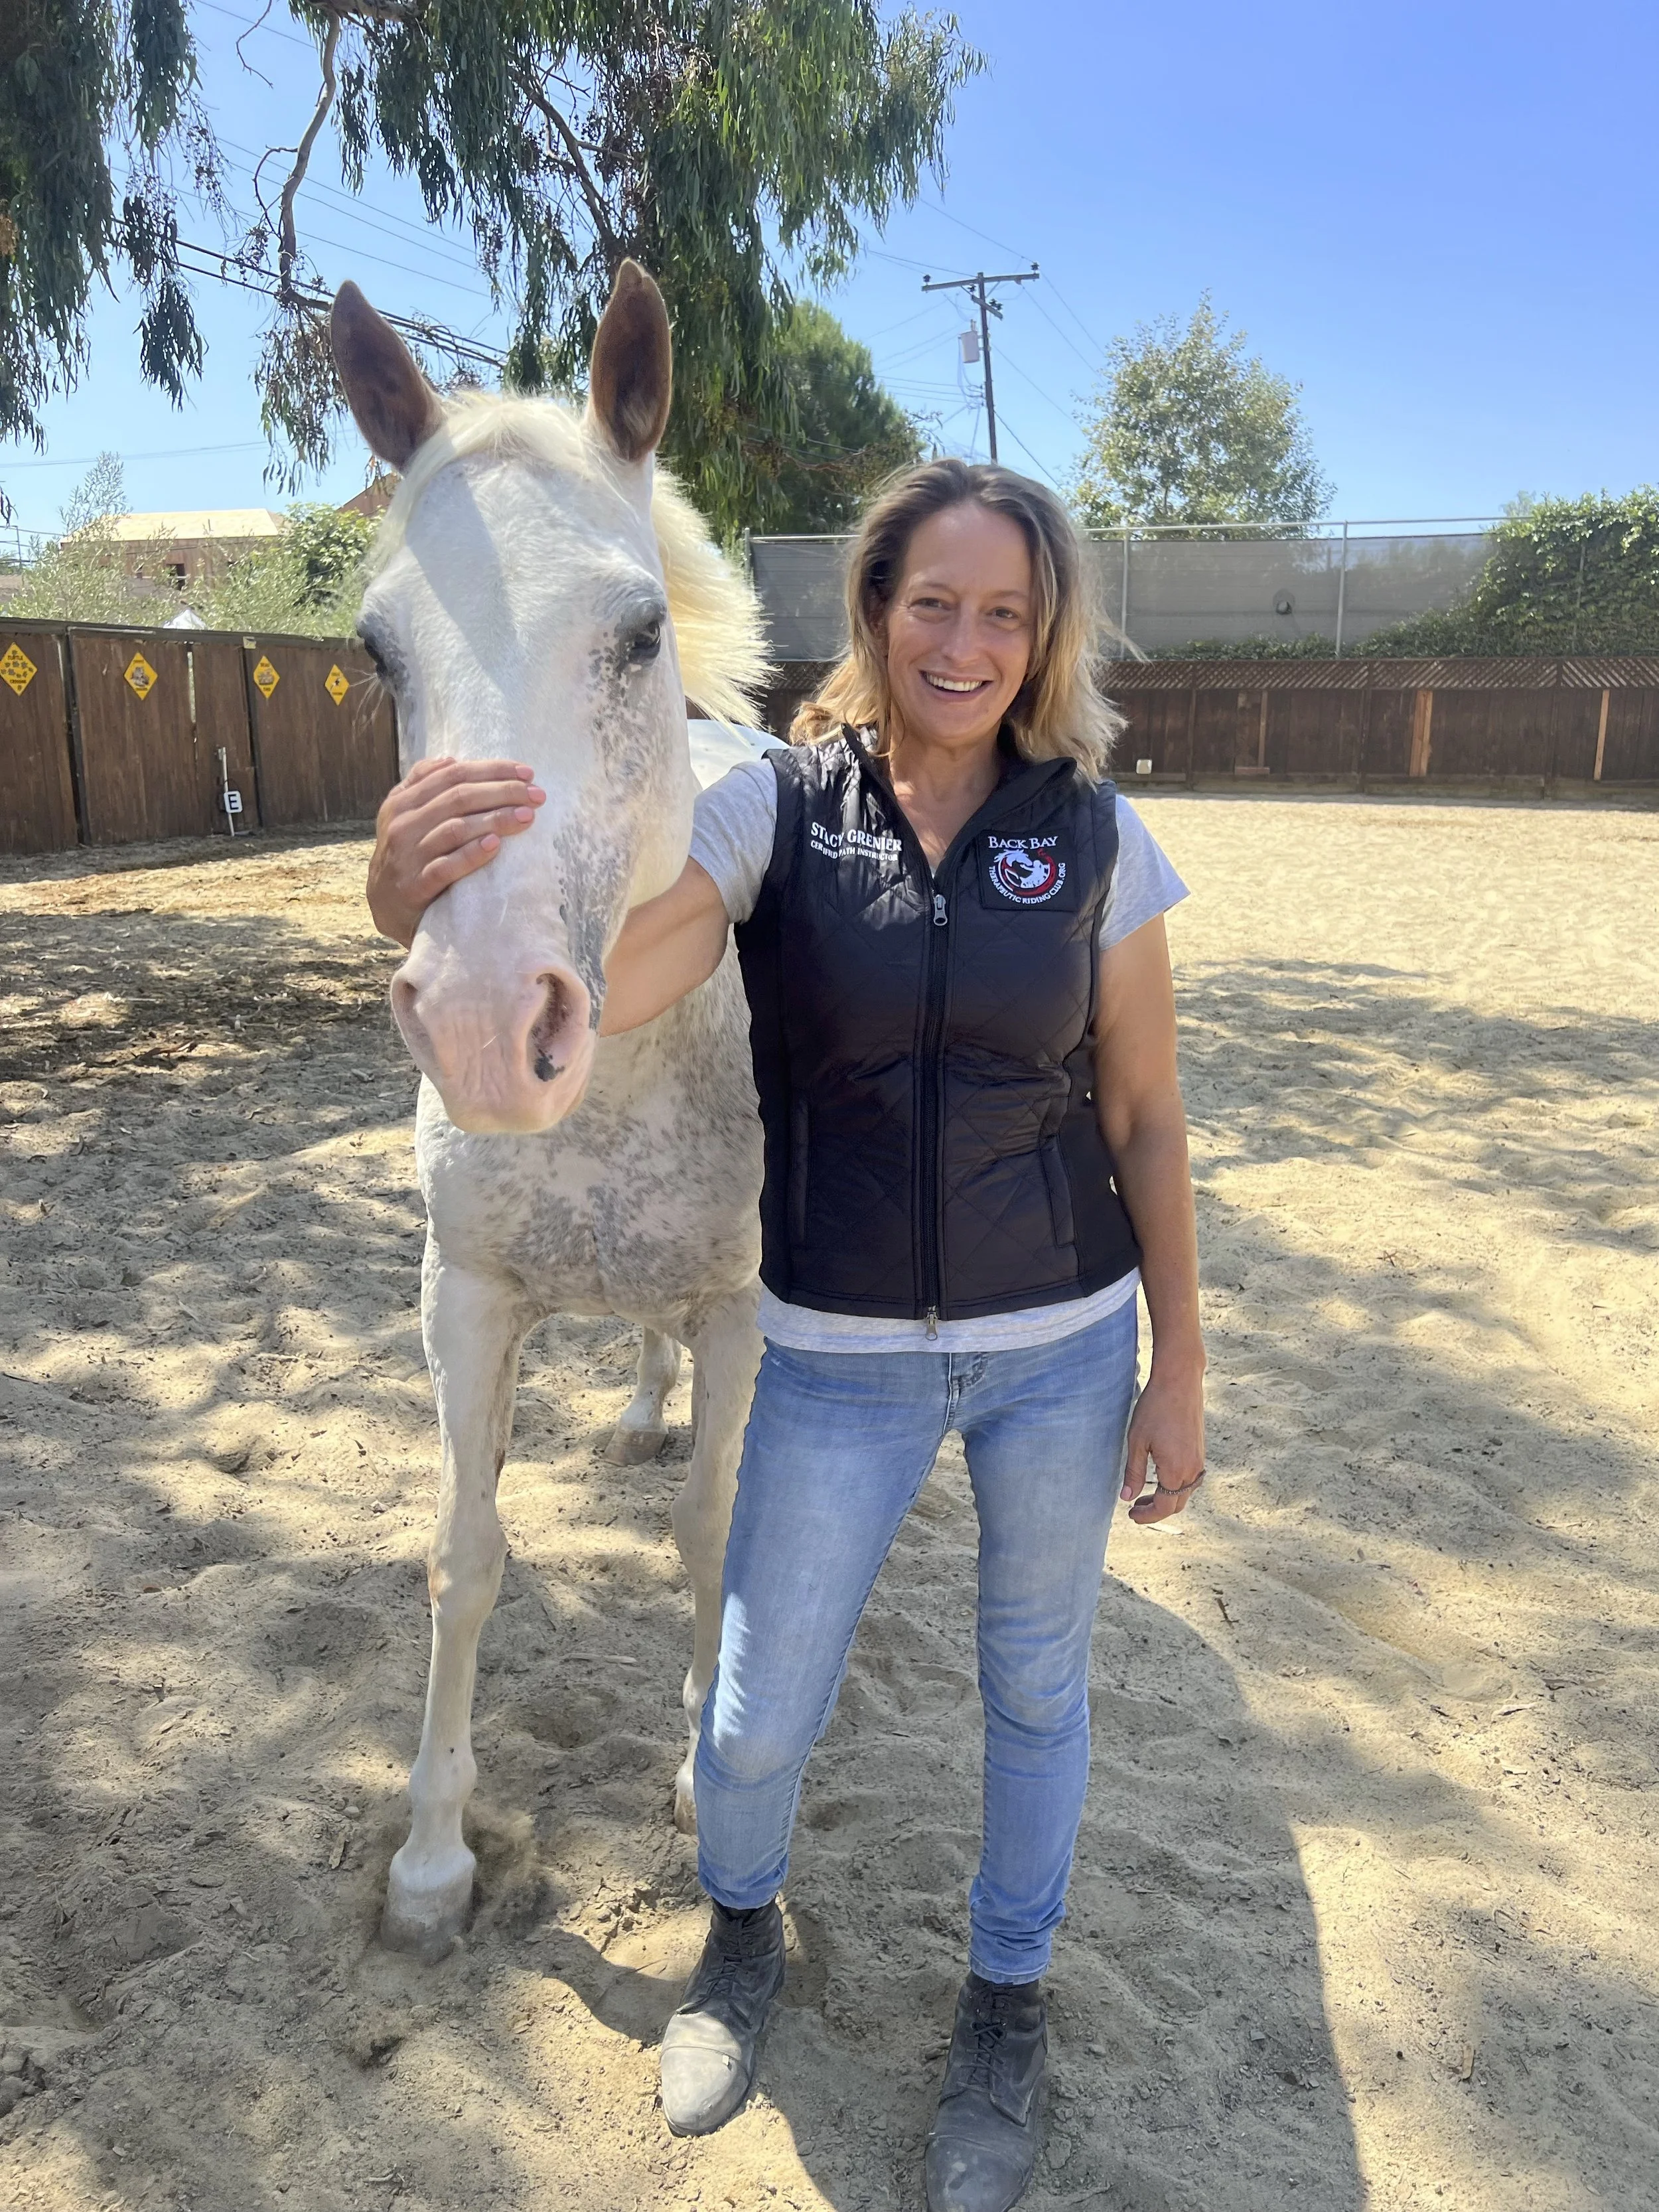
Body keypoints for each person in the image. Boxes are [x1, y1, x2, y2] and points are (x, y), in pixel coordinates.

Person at [368, 458, 1204, 2212]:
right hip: (833, 1347)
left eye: (1002, 610)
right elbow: (603, 980)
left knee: (1035, 1693)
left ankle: (1004, 2004)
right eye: (931, 603)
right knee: (749, 1715)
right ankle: (739, 1942)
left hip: (1060, 1340)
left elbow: (1142, 1119)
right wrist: (429, 919)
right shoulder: (779, 809)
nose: (963, 641)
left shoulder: (1100, 837)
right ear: (874, 610)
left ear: (1040, 631)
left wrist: (1177, 1362)